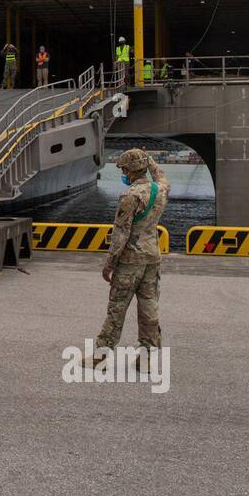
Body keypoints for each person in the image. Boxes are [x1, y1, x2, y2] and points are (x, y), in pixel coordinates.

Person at [86, 149, 171, 366]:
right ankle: (148, 359)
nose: (123, 173)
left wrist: (109, 264)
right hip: (152, 258)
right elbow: (161, 177)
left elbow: (120, 234)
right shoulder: (160, 190)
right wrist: (148, 159)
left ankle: (100, 355)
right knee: (149, 309)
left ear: (130, 170)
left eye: (124, 169)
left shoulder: (130, 196)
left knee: (117, 308)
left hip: (130, 262)